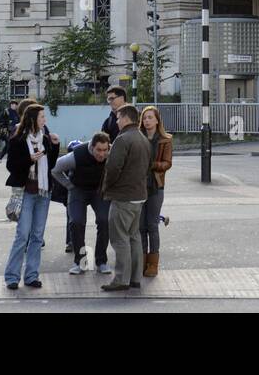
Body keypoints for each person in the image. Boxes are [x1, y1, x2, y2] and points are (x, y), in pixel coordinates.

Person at [3, 103, 59, 290]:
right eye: (42, 117)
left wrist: (56, 146)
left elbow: (50, 165)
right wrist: (30, 159)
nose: (45, 120)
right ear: (33, 119)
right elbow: (11, 166)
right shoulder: (18, 139)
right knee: (22, 235)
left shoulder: (45, 138)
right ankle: (12, 277)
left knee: (37, 235)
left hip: (43, 191)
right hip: (26, 191)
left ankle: (31, 276)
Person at [99, 105, 151, 292]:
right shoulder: (143, 138)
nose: (117, 121)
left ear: (127, 118)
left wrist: (106, 188)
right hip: (139, 196)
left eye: (119, 118)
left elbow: (113, 169)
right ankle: (135, 277)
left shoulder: (122, 139)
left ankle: (121, 279)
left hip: (123, 196)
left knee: (120, 238)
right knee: (134, 237)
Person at [52, 132, 113, 275]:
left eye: (105, 150)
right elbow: (55, 170)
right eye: (99, 150)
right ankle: (80, 261)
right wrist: (69, 186)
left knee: (105, 220)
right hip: (78, 189)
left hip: (98, 190)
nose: (102, 154)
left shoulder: (112, 154)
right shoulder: (76, 155)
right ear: (92, 147)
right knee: (76, 222)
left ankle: (101, 261)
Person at [139, 106, 173, 277]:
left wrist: (152, 165)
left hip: (156, 186)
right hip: (138, 187)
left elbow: (167, 163)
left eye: (150, 117)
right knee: (140, 226)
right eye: (144, 118)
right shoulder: (138, 138)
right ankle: (142, 259)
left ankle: (153, 263)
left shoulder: (165, 140)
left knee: (152, 225)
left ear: (157, 120)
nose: (147, 121)